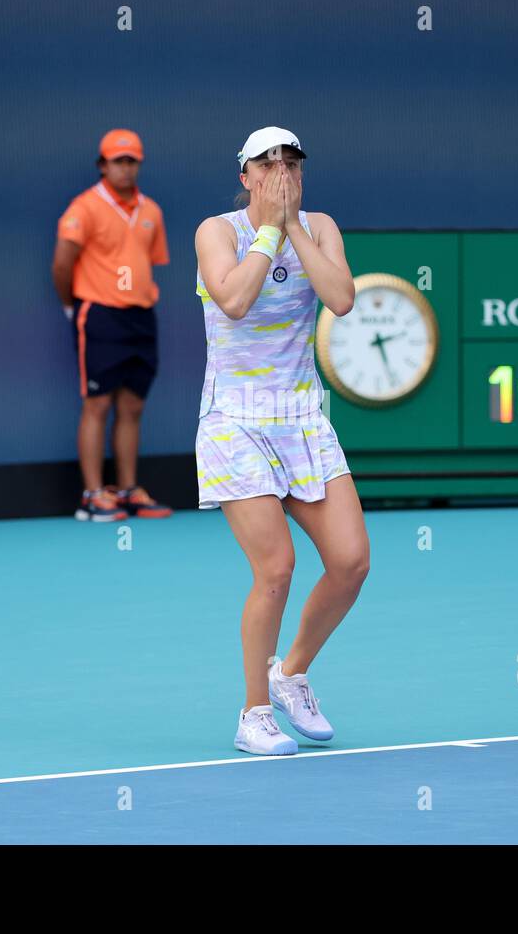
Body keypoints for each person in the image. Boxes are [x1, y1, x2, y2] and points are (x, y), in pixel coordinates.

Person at [194, 126, 371, 755]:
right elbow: (236, 300)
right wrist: (269, 228)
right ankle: (254, 713)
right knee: (276, 568)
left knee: (351, 562)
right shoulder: (217, 232)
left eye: (290, 164)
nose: (279, 173)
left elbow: (342, 300)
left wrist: (294, 225)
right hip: (233, 421)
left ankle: (291, 672)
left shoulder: (320, 226)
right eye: (266, 165)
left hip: (301, 419)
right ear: (245, 177)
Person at [53, 129, 173, 521]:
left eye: (131, 161)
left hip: (140, 317)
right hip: (99, 315)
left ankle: (126, 490)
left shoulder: (151, 211)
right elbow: (62, 264)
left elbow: (146, 262)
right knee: (98, 403)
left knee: (133, 405)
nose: (125, 168)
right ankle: (91, 496)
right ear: (102, 165)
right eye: (117, 161)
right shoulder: (84, 208)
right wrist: (74, 307)